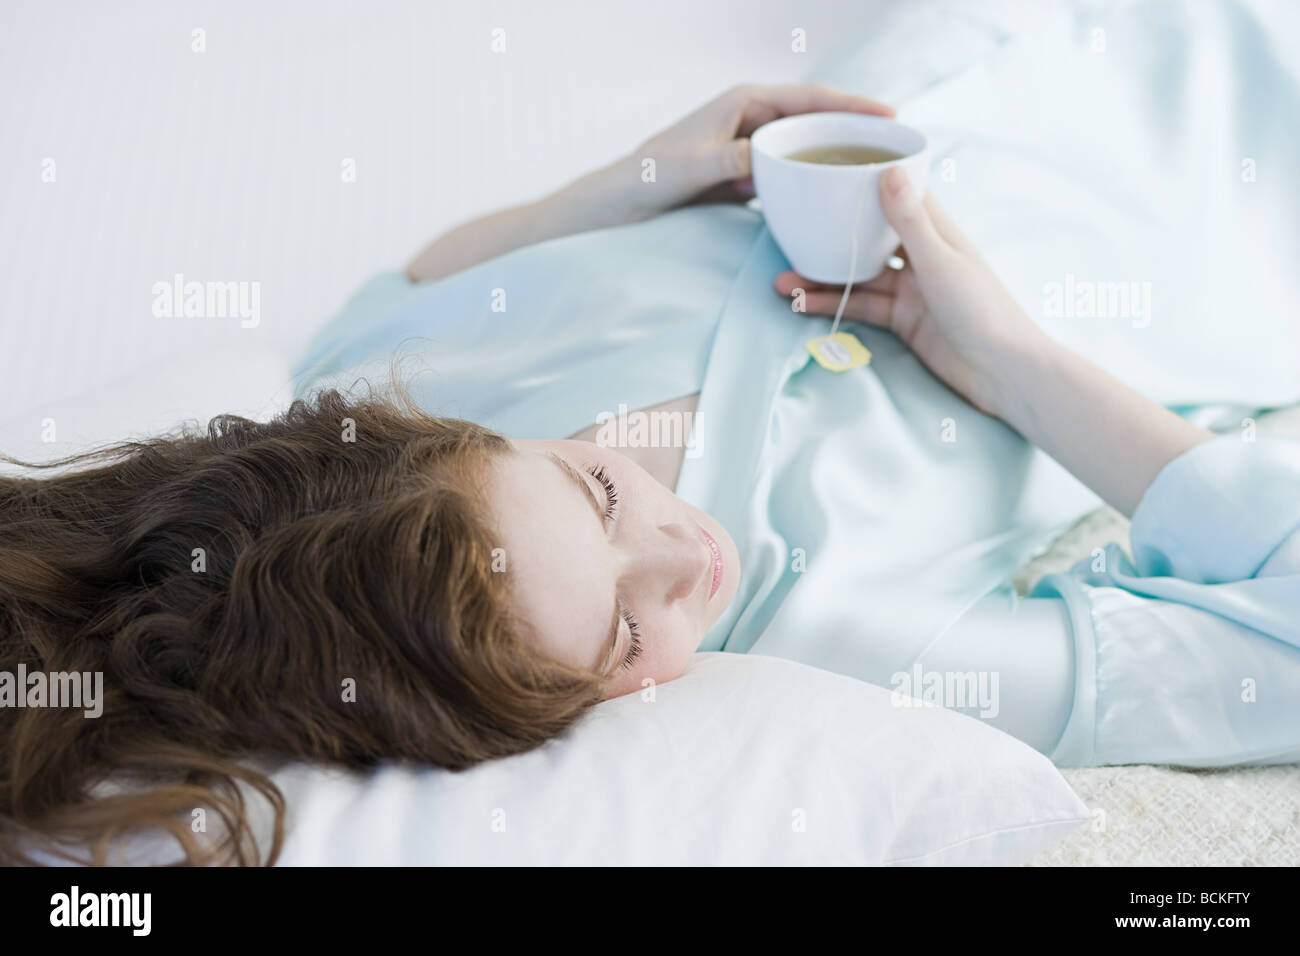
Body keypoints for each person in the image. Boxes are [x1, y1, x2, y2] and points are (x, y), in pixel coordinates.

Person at [4, 84, 1297, 867]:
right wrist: (1015, 362)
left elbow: (398, 289)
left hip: (951, 68)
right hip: (1209, 204)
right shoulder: (853, 639)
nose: (689, 558)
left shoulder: (397, 405)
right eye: (629, 631)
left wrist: (639, 176)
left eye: (600, 490)